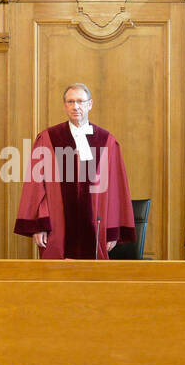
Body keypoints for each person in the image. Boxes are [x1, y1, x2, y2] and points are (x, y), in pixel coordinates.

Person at [13, 83, 135, 259]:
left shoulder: (106, 141)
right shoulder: (49, 138)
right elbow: (36, 186)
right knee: (57, 281)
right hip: (57, 225)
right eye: (70, 101)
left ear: (90, 104)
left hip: (94, 226)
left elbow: (116, 190)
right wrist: (39, 224)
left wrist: (112, 230)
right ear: (64, 106)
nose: (75, 106)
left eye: (80, 101)